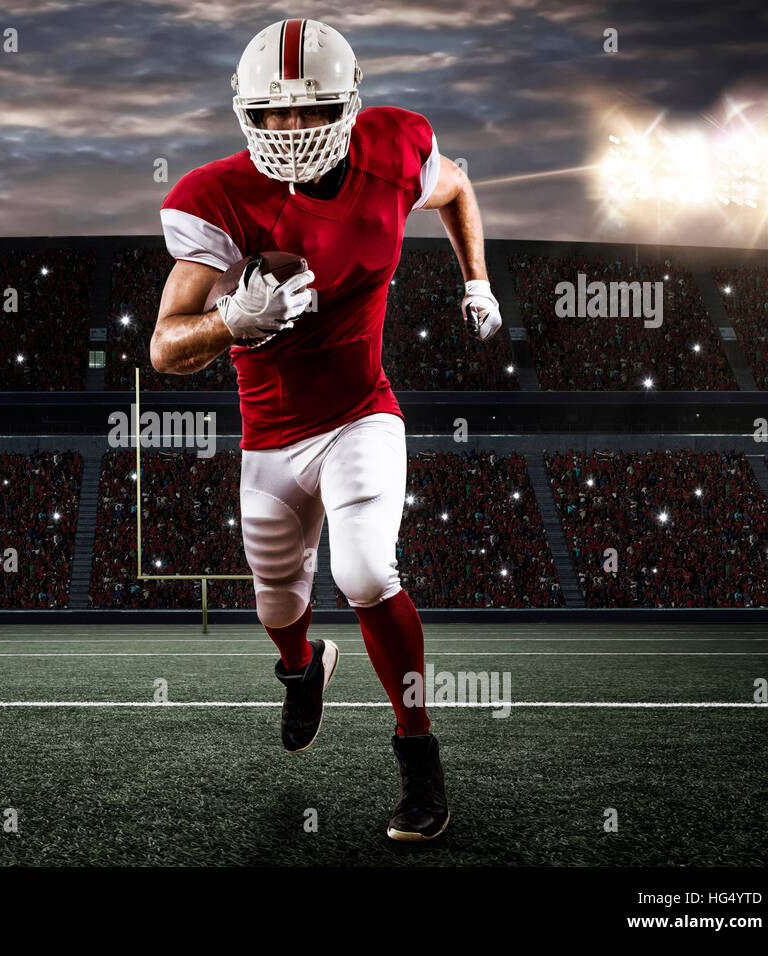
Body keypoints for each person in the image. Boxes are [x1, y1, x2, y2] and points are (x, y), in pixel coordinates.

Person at [151, 17, 501, 842]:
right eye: (269, 115)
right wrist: (234, 319)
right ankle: (302, 671)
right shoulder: (222, 197)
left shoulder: (394, 150)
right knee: (277, 597)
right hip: (269, 435)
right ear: (246, 114)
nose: (287, 130)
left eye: (305, 113)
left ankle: (419, 758)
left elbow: (453, 187)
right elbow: (166, 346)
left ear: (348, 108)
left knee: (368, 569)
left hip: (359, 414)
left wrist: (478, 283)